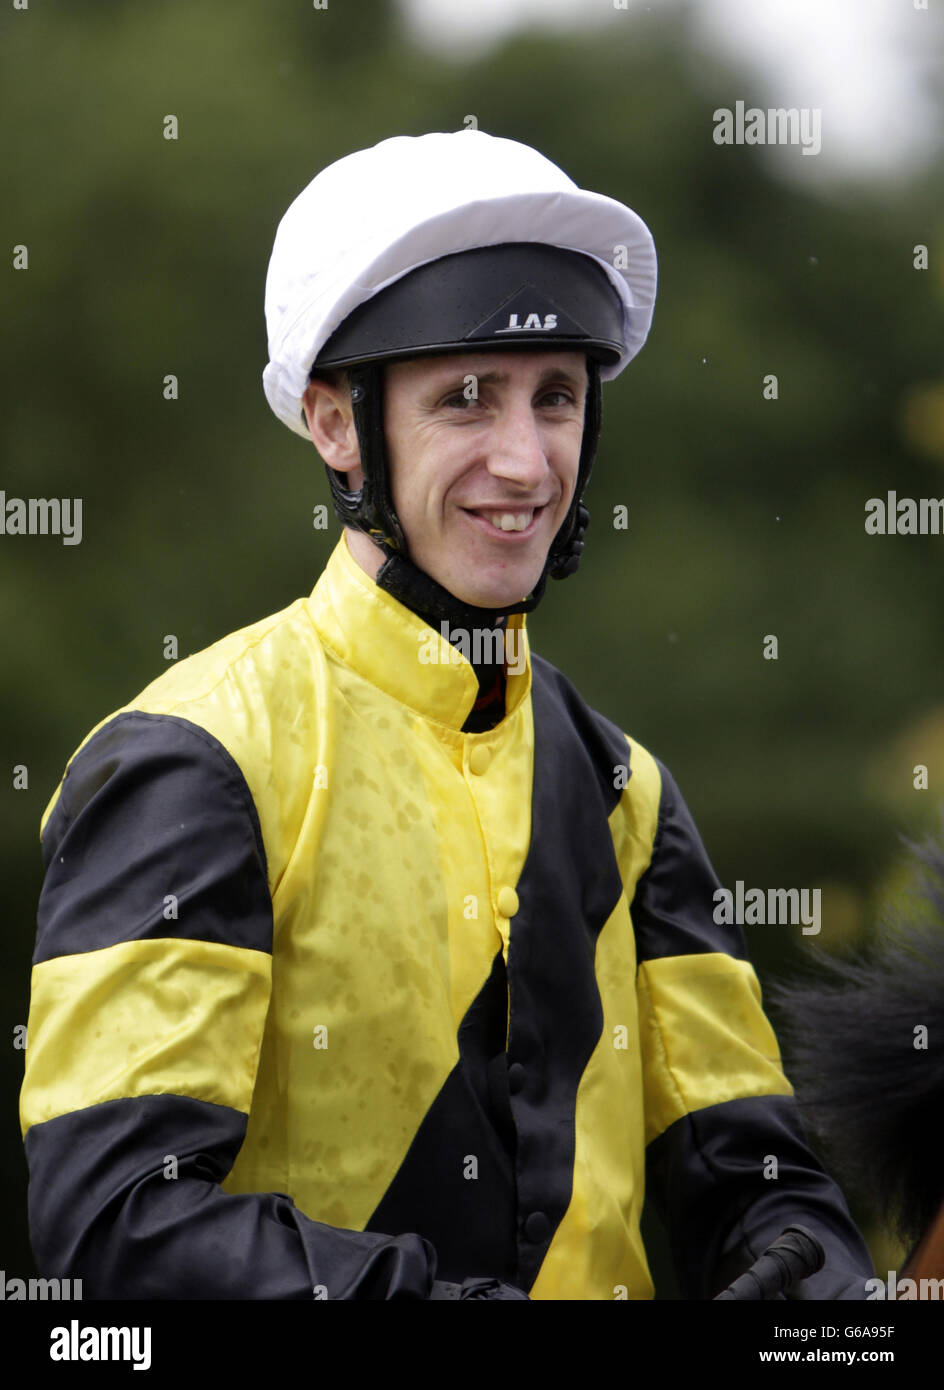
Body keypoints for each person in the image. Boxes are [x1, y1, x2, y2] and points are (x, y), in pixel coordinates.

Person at [20, 129, 874, 1300]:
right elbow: (117, 1227)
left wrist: (812, 1280)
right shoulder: (194, 756)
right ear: (335, 425)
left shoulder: (626, 786)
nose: (524, 461)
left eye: (556, 397)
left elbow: (755, 1177)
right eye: (465, 398)